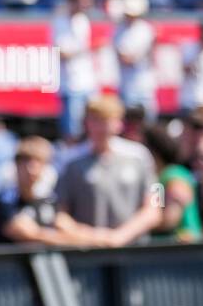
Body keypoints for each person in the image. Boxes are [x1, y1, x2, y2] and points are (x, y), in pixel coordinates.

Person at [56, 95, 161, 244]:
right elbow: (60, 214)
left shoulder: (140, 155)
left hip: (135, 250)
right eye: (95, 120)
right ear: (86, 123)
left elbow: (155, 206)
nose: (101, 127)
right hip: (88, 250)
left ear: (119, 123)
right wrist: (95, 237)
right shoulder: (70, 160)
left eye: (107, 120)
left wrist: (121, 236)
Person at [0, 136, 108, 246]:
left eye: (37, 164)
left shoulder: (46, 200)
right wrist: (80, 241)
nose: (31, 171)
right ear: (16, 165)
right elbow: (29, 234)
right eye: (26, 163)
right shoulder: (6, 200)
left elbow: (67, 226)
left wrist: (102, 237)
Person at [52, 0, 96, 142]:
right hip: (71, 85)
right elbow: (62, 53)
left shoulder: (83, 21)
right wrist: (88, 49)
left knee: (91, 129)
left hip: (87, 82)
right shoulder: (60, 22)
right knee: (72, 133)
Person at [144, 125, 203, 241]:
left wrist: (136, 225)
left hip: (181, 250)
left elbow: (170, 218)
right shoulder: (158, 178)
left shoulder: (174, 175)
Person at [114, 0, 158, 121]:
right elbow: (124, 58)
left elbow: (150, 57)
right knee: (129, 123)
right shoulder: (119, 31)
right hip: (127, 86)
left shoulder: (146, 29)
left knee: (148, 123)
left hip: (145, 85)